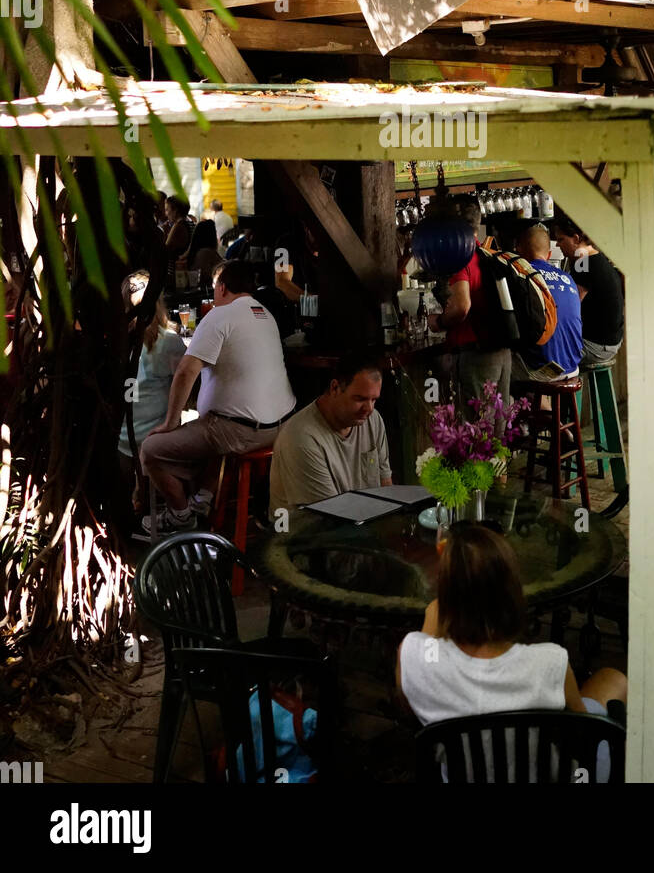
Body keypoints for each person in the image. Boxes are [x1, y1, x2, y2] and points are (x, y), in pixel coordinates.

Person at [397, 523, 626, 782]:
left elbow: (409, 702)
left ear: (445, 596)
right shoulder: (549, 663)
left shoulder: (413, 658)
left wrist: (433, 618)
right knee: (612, 679)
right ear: (513, 593)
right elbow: (583, 740)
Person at [141, 260, 297, 534]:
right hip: (281, 426)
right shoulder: (265, 314)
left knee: (151, 450)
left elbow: (186, 372)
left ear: (222, 287)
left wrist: (171, 421)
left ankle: (181, 516)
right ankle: (203, 499)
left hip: (241, 432)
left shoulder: (219, 315)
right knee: (211, 424)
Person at [269, 353, 391, 515]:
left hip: (359, 524)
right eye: (359, 399)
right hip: (308, 535)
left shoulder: (373, 420)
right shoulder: (301, 438)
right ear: (335, 388)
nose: (369, 409)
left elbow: (386, 486)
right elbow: (330, 518)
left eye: (374, 400)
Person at [427, 198, 511, 406]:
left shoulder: (460, 257)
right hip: (501, 350)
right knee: (498, 424)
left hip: (476, 354)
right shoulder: (486, 254)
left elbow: (461, 307)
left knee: (476, 428)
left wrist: (438, 322)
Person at [118, 272, 186, 466]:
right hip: (155, 435)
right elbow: (188, 381)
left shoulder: (116, 342)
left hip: (122, 435)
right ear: (158, 303)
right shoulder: (167, 342)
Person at [551, 215, 623, 367]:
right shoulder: (596, 257)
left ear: (576, 239)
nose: (557, 245)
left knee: (544, 351)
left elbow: (570, 308)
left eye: (561, 239)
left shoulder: (583, 263)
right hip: (610, 343)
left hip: (596, 346)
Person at [513, 224, 583, 378]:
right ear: (549, 254)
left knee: (501, 362)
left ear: (518, 250)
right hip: (572, 367)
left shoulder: (521, 275)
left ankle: (541, 403)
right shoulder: (568, 278)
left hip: (543, 370)